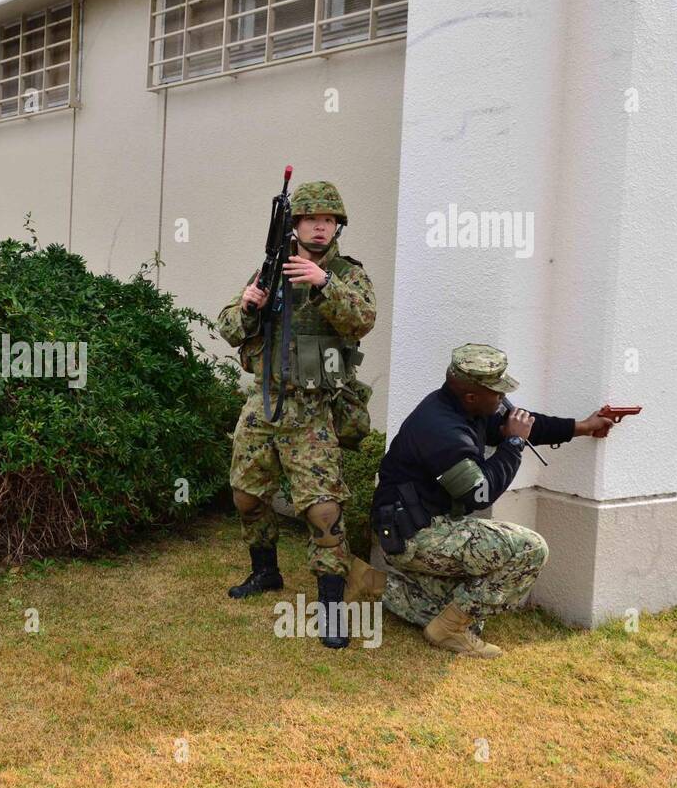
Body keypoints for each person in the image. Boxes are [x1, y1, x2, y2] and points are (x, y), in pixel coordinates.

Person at [372, 344, 615, 657]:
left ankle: (374, 583)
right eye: (497, 394)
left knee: (458, 602)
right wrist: (514, 443)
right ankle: (449, 630)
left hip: (415, 522)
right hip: (414, 535)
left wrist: (581, 427)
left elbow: (521, 422)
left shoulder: (464, 406)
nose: (503, 400)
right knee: (530, 548)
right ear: (472, 396)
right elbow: (479, 494)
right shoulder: (442, 431)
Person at [217, 181, 376, 648]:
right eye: (311, 220)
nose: (320, 227)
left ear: (337, 226)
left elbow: (363, 319)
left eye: (329, 220)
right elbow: (228, 325)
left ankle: (331, 608)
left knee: (323, 509)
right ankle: (265, 571)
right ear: (296, 225)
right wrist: (248, 307)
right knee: (246, 493)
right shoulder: (271, 270)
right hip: (263, 400)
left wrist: (324, 284)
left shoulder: (347, 274)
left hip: (312, 409)